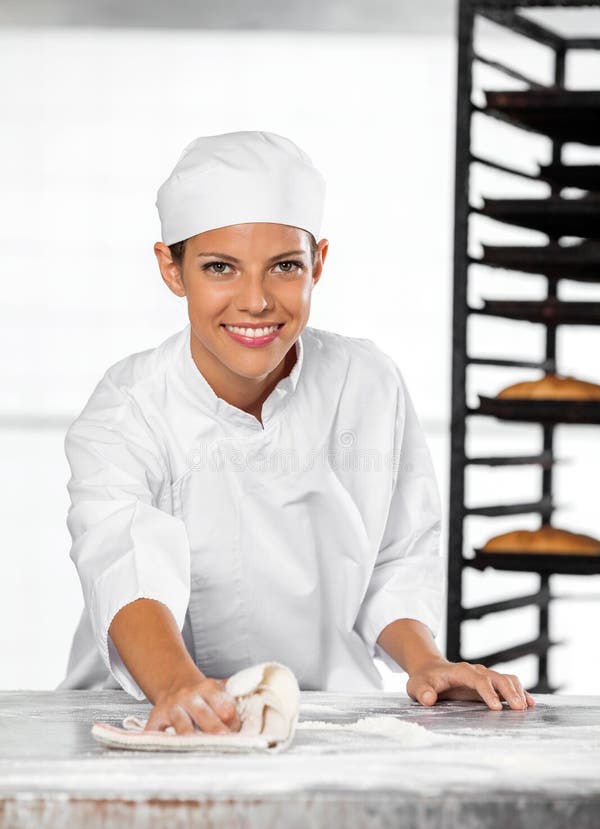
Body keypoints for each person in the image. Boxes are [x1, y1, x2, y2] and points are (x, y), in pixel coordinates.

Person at [59, 130, 535, 735]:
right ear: (171, 270)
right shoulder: (129, 405)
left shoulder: (367, 381)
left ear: (319, 264)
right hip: (143, 719)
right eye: (220, 268)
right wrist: (178, 687)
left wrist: (426, 663)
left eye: (285, 267)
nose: (256, 301)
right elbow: (124, 556)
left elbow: (394, 560)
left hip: (325, 720)